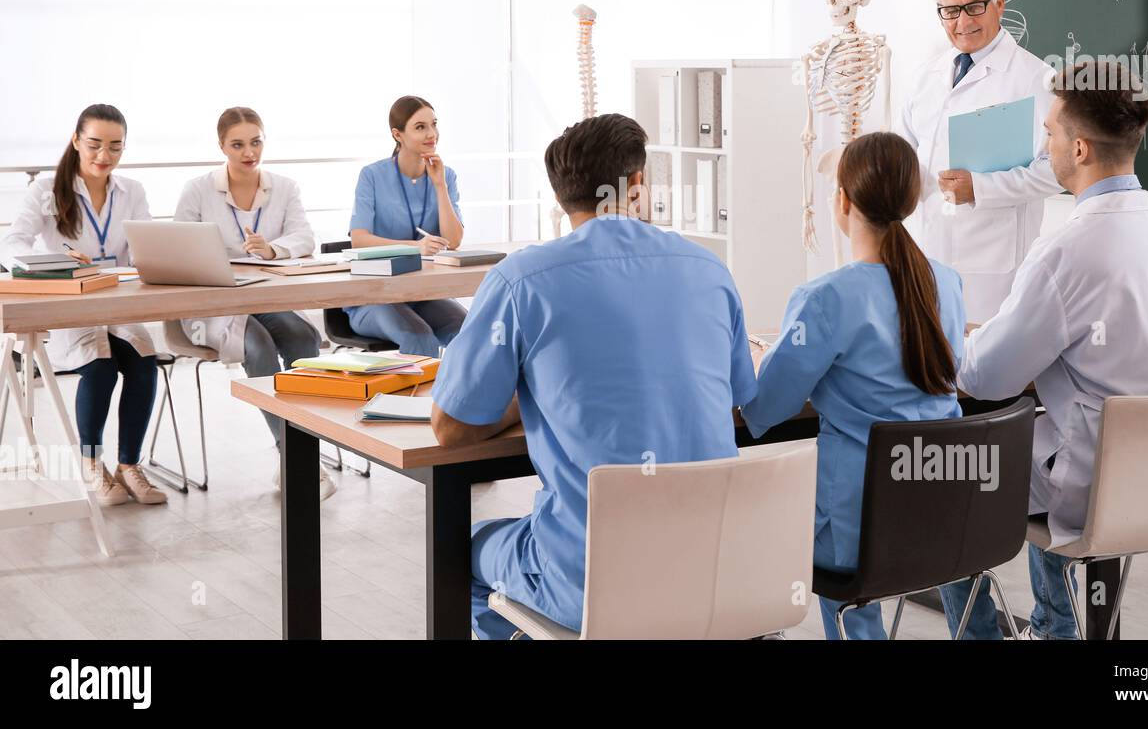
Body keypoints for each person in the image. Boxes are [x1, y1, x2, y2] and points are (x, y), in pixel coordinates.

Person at [426, 113, 757, 639]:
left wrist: (530, 395)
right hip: (717, 572)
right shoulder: (708, 267)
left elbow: (451, 427)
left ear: (560, 197)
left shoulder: (521, 279)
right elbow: (740, 400)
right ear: (639, 185)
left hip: (588, 579)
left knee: (459, 551)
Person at [940, 59, 1148, 639]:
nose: (1044, 149)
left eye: (1049, 135)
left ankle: (1023, 633)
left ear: (1080, 149)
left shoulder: (1067, 249)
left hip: (1104, 489)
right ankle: (1055, 628)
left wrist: (955, 336)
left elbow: (986, 378)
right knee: (1050, 436)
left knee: (944, 481)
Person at [742, 132, 966, 640]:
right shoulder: (947, 284)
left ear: (842, 201)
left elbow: (767, 407)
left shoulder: (824, 299)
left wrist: (762, 359)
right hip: (945, 519)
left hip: (859, 533)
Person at [0, 104, 166, 506]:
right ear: (76, 141)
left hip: (116, 304)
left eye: (115, 147)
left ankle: (129, 467)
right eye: (94, 145)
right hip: (69, 309)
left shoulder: (132, 192)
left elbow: (143, 246)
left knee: (144, 366)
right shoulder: (46, 191)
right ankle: (92, 465)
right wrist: (55, 262)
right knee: (100, 368)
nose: (103, 157)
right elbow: (13, 246)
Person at [173, 106, 335, 500]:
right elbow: (176, 246)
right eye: (238, 144)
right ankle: (294, 456)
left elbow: (303, 237)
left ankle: (303, 440)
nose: (249, 152)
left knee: (302, 338)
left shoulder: (284, 187)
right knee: (258, 346)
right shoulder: (198, 190)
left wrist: (272, 248)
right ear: (222, 146)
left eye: (256, 141)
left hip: (265, 294)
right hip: (214, 302)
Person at [899, 0, 1061, 324]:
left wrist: (981, 188)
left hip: (993, 272)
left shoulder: (1036, 78)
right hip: (927, 256)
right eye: (950, 11)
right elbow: (903, 149)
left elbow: (1057, 172)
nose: (963, 21)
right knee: (927, 371)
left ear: (998, 4)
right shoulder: (927, 75)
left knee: (984, 376)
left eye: (974, 7)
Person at [344, 96, 466, 357]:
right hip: (374, 297)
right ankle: (419, 400)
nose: (431, 134)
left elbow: (454, 240)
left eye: (434, 124)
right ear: (397, 134)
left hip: (423, 294)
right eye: (420, 127)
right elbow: (359, 239)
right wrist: (416, 247)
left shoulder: (447, 176)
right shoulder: (372, 176)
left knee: (468, 330)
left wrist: (440, 185)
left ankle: (459, 397)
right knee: (419, 337)